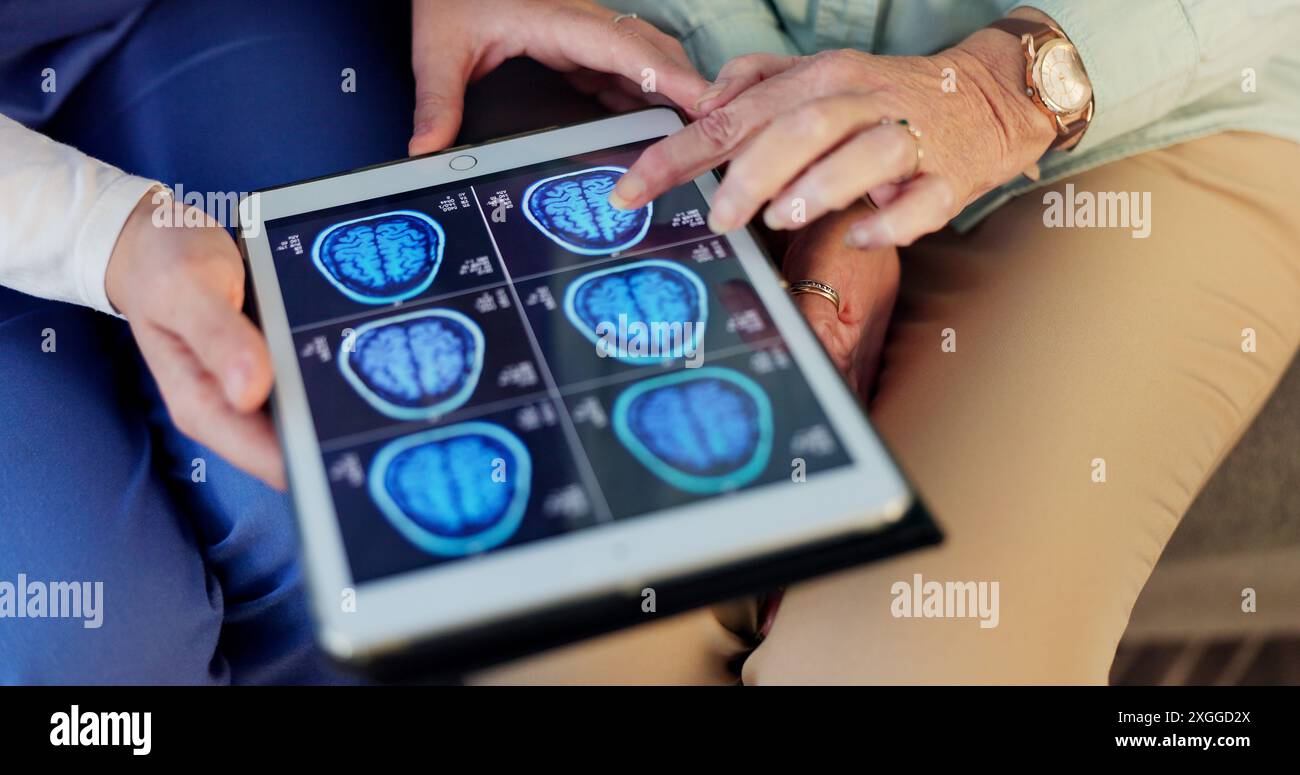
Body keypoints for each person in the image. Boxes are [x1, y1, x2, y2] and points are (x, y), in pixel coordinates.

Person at [2, 0, 1298, 684]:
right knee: (530, 639)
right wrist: (792, 159)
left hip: (1142, 103)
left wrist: (1010, 92)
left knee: (923, 667)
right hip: (663, 84)